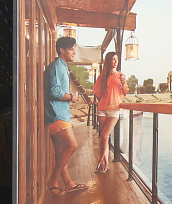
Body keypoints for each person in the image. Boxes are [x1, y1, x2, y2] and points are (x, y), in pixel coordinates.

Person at [43, 36, 85, 195]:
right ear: (62, 50)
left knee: (61, 152)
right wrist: (71, 97)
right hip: (57, 115)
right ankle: (53, 180)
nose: (74, 52)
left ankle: (68, 183)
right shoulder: (56, 67)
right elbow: (54, 92)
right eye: (71, 48)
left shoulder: (62, 67)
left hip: (58, 114)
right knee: (72, 145)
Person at [94, 46, 127, 173]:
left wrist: (123, 83)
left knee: (104, 135)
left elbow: (125, 92)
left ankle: (100, 161)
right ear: (108, 61)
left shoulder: (120, 75)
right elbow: (97, 93)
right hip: (102, 108)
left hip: (114, 109)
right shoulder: (102, 76)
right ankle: (106, 164)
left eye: (117, 59)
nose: (115, 61)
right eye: (113, 59)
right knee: (104, 138)